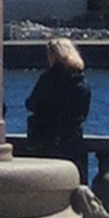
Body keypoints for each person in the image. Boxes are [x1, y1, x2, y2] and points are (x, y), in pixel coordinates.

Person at [19, 28, 91, 169]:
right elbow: (82, 114)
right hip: (74, 142)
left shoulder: (48, 79)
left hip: (47, 142)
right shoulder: (82, 82)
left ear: (55, 56)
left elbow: (31, 104)